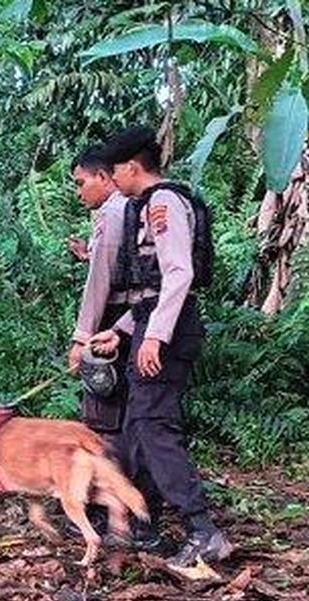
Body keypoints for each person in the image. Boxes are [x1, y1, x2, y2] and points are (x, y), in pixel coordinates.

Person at [88, 126, 231, 567]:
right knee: (136, 427)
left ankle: (202, 529)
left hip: (167, 332)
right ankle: (142, 523)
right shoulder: (146, 205)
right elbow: (153, 290)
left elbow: (178, 275)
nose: (112, 181)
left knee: (152, 427)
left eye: (114, 173)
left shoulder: (163, 203)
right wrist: (126, 330)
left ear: (132, 167)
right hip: (153, 325)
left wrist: (154, 337)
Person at [67, 146, 131, 448]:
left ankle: (105, 481)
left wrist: (81, 338)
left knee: (104, 402)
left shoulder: (113, 211)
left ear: (104, 177)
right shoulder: (131, 206)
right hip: (135, 315)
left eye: (81, 183)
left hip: (116, 316)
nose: (80, 193)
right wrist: (88, 254)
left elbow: (101, 280)